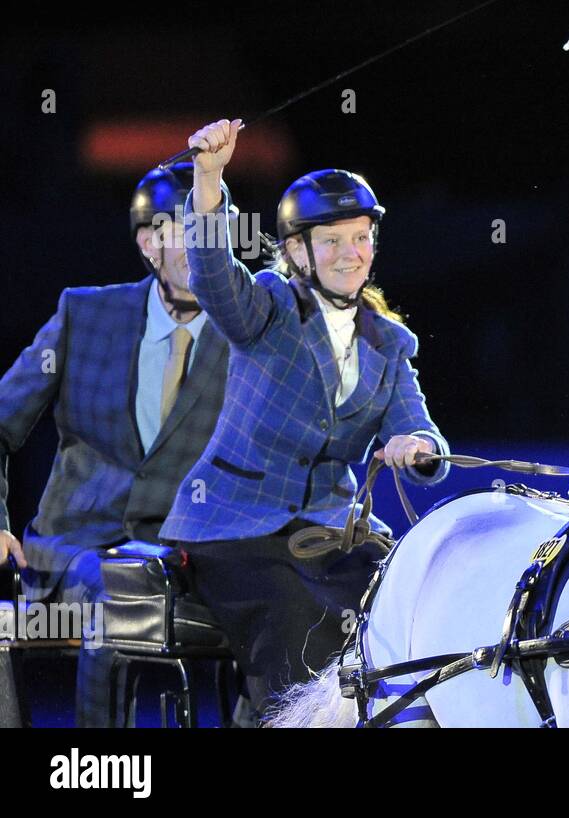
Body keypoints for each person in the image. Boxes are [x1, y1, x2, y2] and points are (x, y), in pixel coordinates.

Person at [160, 119, 451, 719]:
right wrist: (210, 178)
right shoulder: (268, 306)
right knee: (296, 609)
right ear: (297, 250)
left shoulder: (390, 344)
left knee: (407, 592)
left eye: (361, 238)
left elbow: (421, 431)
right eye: (332, 241)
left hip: (329, 530)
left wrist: (416, 445)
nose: (351, 254)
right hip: (235, 528)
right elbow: (213, 276)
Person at [0, 164, 231, 726]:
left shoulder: (245, 331)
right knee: (115, 597)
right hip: (80, 551)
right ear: (149, 243)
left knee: (271, 598)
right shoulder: (86, 315)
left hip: (193, 554)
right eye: (185, 230)